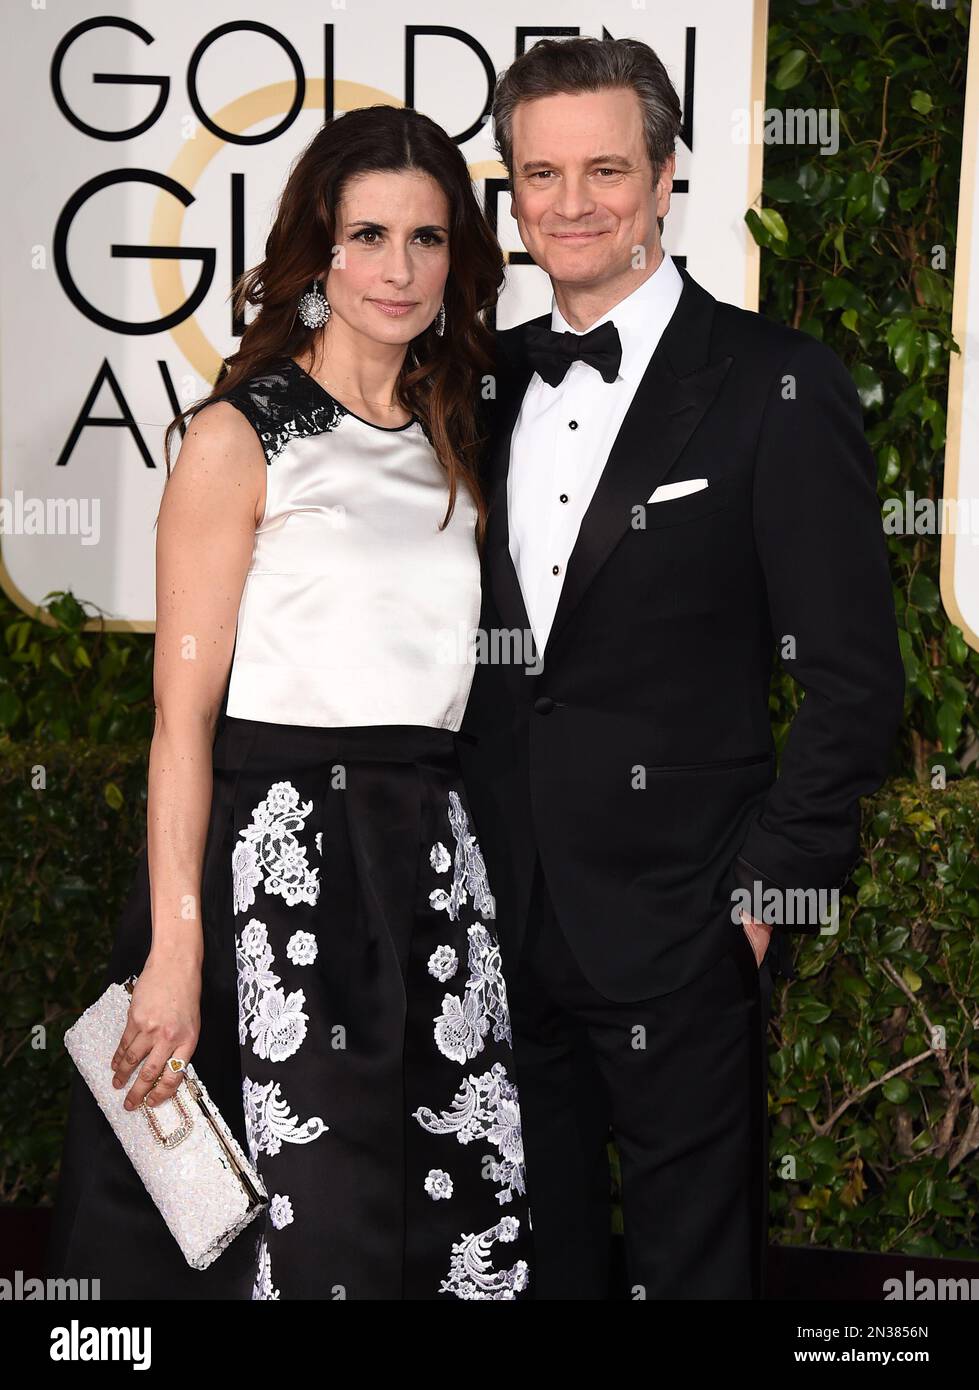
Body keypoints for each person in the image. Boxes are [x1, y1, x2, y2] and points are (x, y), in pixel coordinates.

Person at [44, 105, 532, 1302]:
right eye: (369, 235)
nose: (399, 270)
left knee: (446, 1216)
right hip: (274, 877)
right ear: (317, 251)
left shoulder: (453, 431)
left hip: (425, 866)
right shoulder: (239, 434)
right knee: (292, 1232)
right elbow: (181, 718)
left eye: (427, 240)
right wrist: (174, 947)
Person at [457, 36, 905, 1299]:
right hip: (503, 917)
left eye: (605, 168)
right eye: (540, 174)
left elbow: (853, 680)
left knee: (692, 1275)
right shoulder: (479, 388)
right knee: (529, 1269)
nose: (571, 203)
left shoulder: (774, 384)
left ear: (665, 179)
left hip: (685, 925)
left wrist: (760, 900)